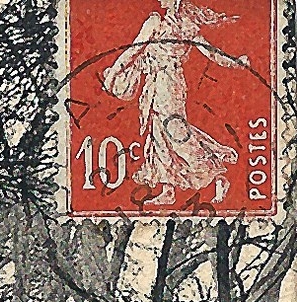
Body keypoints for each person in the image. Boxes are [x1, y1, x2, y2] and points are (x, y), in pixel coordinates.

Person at [100, 0, 249, 205]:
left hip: (167, 85)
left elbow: (132, 51)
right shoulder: (178, 24)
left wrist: (112, 75)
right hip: (161, 83)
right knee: (159, 135)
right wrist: (236, 62)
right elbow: (213, 53)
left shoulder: (162, 23)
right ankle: (168, 190)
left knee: (177, 135)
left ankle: (217, 177)